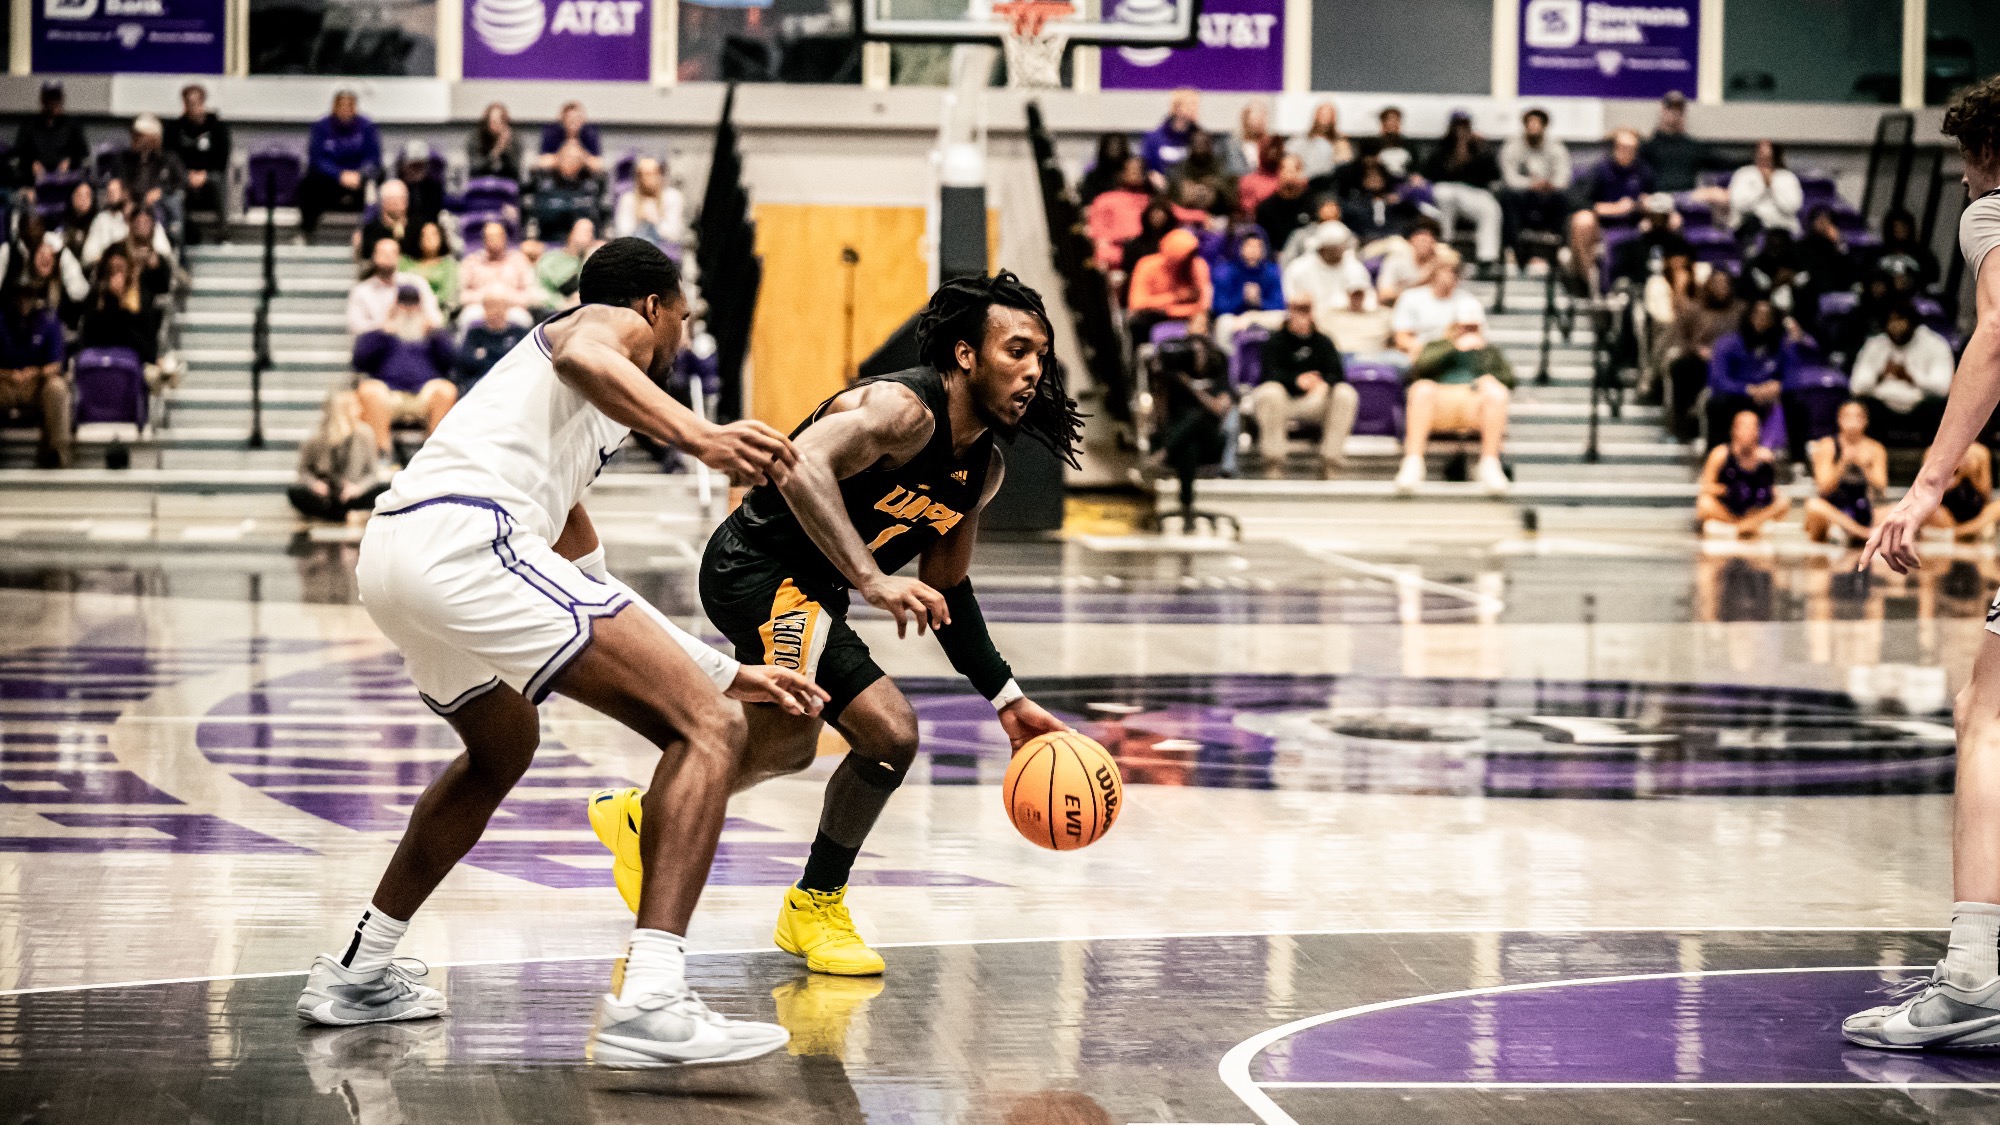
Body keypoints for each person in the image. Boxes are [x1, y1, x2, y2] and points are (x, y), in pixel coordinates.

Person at [294, 237, 819, 1069]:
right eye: (682, 312)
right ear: (653, 306)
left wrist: (721, 666)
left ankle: (359, 969)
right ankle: (652, 999)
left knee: (506, 745)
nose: (684, 330)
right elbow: (581, 344)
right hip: (468, 540)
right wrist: (703, 437)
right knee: (710, 732)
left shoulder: (562, 426)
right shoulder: (594, 334)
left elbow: (586, 577)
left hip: (396, 555)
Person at [586, 270, 1078, 981]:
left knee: (787, 745)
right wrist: (873, 577)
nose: (1034, 371)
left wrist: (1006, 696)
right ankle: (815, 902)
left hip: (810, 589)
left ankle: (645, 815)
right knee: (890, 731)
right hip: (754, 567)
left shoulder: (984, 469)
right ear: (967, 355)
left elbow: (947, 587)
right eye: (1018, 351)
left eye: (1043, 356)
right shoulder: (902, 410)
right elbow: (799, 464)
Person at [1395, 315, 1515, 495]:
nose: (1468, 331)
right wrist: (1453, 346)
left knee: (1497, 393)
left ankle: (1490, 463)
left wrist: (1490, 379)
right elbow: (1420, 367)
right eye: (1464, 327)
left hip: (1474, 403)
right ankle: (1413, 462)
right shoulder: (1437, 345)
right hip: (1442, 401)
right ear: (1453, 326)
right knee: (1421, 389)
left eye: (1472, 327)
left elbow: (1510, 379)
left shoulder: (1490, 351)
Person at [1251, 294, 1356, 468]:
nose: (1301, 315)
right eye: (1297, 309)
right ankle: (1273, 458)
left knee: (1345, 393)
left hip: (1315, 401)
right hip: (1284, 400)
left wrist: (1324, 383)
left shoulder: (1323, 342)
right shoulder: (1275, 340)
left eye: (1306, 310)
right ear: (1289, 311)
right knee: (1269, 391)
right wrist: (1296, 381)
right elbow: (1266, 375)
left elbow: (1338, 374)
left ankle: (1331, 457)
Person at [352, 286, 461, 450]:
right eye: (403, 304)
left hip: (424, 394)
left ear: (421, 306)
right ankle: (382, 453)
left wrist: (436, 335)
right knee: (369, 391)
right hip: (390, 394)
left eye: (413, 304)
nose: (409, 309)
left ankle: (434, 454)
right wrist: (382, 332)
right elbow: (359, 361)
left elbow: (452, 362)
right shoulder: (381, 333)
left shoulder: (433, 335)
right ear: (395, 306)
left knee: (446, 391)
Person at [1704, 298, 1805, 450]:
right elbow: (1719, 380)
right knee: (1717, 403)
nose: (1762, 320)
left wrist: (1779, 386)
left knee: (1798, 403)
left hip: (1770, 396)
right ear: (1748, 316)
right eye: (1757, 314)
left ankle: (1797, 459)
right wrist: (1748, 389)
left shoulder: (1783, 344)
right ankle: (1717, 452)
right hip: (1739, 394)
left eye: (1767, 316)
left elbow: (1794, 377)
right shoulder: (1727, 343)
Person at [1851, 301, 1955, 448]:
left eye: (1901, 320)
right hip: (1882, 409)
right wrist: (1879, 375)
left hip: (1921, 409)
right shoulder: (1875, 345)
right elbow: (1856, 387)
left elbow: (1943, 388)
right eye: (1891, 321)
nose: (1896, 326)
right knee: (1859, 405)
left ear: (1912, 323)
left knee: (1940, 406)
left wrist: (1912, 378)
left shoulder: (1935, 344)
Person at [1567, 129, 1656, 294]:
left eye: (1631, 148)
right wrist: (1614, 209)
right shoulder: (1599, 170)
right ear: (1614, 148)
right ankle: (1589, 285)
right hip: (1601, 226)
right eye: (1622, 147)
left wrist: (1647, 210)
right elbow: (1577, 202)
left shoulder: (1644, 172)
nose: (1626, 152)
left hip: (1633, 227)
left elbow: (1651, 198)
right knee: (1582, 220)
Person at [1664, 269, 1743, 440]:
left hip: (1732, 362)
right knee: (1680, 368)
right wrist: (1697, 349)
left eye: (1725, 284)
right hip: (1700, 360)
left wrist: (1723, 353)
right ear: (1708, 286)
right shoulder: (1694, 309)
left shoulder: (1740, 311)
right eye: (1716, 284)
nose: (1721, 288)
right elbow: (1680, 338)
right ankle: (1681, 427)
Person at [1421, 111, 1504, 273]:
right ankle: (1445, 246)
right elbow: (1429, 177)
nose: (1460, 130)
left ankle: (1486, 260)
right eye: (1457, 126)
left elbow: (1493, 177)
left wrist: (1481, 148)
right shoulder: (1441, 148)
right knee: (1444, 194)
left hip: (1473, 193)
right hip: (1446, 191)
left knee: (1490, 208)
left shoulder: (1480, 148)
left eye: (1464, 126)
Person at [0, 285, 70, 469]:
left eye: (28, 296)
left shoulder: (47, 319)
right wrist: (9, 374)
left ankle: (57, 458)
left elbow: (55, 365)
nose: (24, 302)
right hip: (5, 383)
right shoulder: (1, 319)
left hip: (36, 385)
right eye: (19, 296)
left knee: (58, 388)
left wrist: (35, 372)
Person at [290, 391, 386, 522]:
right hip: (326, 494)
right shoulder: (316, 437)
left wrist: (357, 488)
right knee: (295, 492)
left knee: (385, 489)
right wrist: (315, 485)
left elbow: (372, 473)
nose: (360, 410)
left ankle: (335, 515)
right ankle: (346, 515)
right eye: (355, 406)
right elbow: (303, 471)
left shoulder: (365, 434)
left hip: (353, 491)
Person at [301, 91, 383, 242]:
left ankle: (373, 236)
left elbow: (374, 158)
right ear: (334, 106)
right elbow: (316, 159)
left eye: (349, 105)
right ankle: (306, 233)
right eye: (341, 105)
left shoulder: (367, 126)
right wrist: (339, 175)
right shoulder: (321, 127)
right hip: (330, 182)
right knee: (308, 182)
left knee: (380, 178)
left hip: (360, 182)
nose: (345, 109)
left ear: (355, 107)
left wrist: (360, 174)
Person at [1695, 410, 1789, 538]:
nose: (1749, 431)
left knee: (1784, 501)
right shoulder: (1721, 454)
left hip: (1754, 510)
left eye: (1753, 427)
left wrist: (1767, 494)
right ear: (1735, 430)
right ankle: (1739, 525)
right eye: (1744, 427)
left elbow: (1772, 490)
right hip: (1728, 510)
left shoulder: (1765, 457)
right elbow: (1705, 487)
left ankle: (1750, 524)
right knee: (1704, 504)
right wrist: (1727, 490)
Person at [1802, 401, 1885, 544]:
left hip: (1863, 510)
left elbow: (1881, 487)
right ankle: (1863, 534)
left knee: (1907, 512)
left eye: (1858, 417)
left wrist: (1865, 467)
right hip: (1834, 512)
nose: (1852, 422)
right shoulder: (1828, 445)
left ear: (1865, 421)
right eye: (1847, 416)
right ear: (1839, 420)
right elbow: (1823, 487)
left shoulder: (1875, 448)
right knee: (1813, 505)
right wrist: (1842, 464)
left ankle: (1852, 532)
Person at [76, 247, 162, 373]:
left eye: (120, 269)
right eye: (112, 271)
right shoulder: (96, 299)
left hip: (134, 366)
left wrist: (123, 305)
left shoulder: (142, 298)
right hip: (99, 365)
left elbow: (148, 346)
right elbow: (88, 340)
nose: (116, 277)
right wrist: (112, 301)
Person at [1498, 108, 1572, 255]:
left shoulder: (1557, 147)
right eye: (1530, 123)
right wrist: (1530, 184)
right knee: (1507, 195)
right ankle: (1512, 248)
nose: (1533, 127)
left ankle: (1561, 248)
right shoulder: (1512, 146)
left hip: (1548, 194)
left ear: (1545, 126)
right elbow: (1509, 178)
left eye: (1537, 123)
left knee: (1564, 197)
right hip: (1522, 195)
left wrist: (1549, 185)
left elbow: (1563, 177)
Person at [1126, 229, 1212, 350]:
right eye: (1186, 256)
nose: (1189, 260)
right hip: (1155, 318)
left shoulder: (1198, 265)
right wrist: (1176, 297)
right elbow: (1137, 303)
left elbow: (1203, 305)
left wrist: (1170, 310)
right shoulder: (1147, 265)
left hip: (1188, 318)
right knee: (1138, 322)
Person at [1391, 247, 1484, 357]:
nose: (1451, 275)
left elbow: (1476, 337)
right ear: (1434, 271)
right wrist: (1427, 352)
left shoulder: (1468, 301)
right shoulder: (1410, 297)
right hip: (1420, 353)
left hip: (1456, 354)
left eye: (1455, 271)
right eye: (1446, 270)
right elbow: (1402, 338)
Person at [166, 84, 231, 243]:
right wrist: (186, 174)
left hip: (210, 176)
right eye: (188, 102)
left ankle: (223, 232)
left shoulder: (217, 127)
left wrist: (204, 174)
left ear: (203, 102)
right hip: (184, 176)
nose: (192, 106)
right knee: (174, 188)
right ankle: (181, 235)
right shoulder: (174, 129)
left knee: (218, 180)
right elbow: (170, 157)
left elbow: (222, 158)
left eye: (195, 102)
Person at [1284, 222, 1375, 326]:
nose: (1339, 250)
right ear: (1322, 248)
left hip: (1348, 324)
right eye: (1333, 247)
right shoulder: (1298, 269)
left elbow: (1369, 303)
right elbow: (1292, 301)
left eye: (1341, 246)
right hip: (1312, 324)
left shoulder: (1355, 267)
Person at [116, 114, 187, 246]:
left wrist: (161, 192)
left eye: (140, 135)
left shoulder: (169, 159)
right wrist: (126, 198)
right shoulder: (126, 160)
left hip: (161, 206)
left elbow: (182, 183)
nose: (135, 139)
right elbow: (122, 182)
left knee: (174, 202)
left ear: (153, 138)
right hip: (134, 204)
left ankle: (176, 251)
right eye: (134, 135)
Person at [349, 238, 442, 337]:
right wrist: (383, 327)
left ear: (400, 257)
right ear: (374, 257)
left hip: (413, 343)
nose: (388, 256)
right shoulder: (362, 290)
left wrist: (422, 322)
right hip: (378, 345)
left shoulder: (416, 283)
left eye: (393, 252)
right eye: (383, 252)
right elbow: (356, 326)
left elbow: (436, 318)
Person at [1211, 231, 1284, 348]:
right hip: (1235, 317)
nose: (1254, 250)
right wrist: (1242, 297)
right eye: (1249, 245)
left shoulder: (1272, 271)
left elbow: (1280, 304)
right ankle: (1227, 360)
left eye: (1258, 246)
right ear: (1239, 248)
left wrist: (1259, 301)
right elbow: (1219, 307)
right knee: (1224, 323)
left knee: (1281, 318)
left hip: (1261, 316)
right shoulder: (1225, 271)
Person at [459, 220, 541, 323]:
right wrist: (487, 297)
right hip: (479, 307)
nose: (494, 240)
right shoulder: (471, 261)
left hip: (512, 307)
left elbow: (532, 293)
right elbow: (461, 295)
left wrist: (505, 297)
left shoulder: (519, 261)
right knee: (467, 318)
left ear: (505, 238)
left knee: (523, 319)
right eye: (489, 237)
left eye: (497, 236)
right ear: (484, 240)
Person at [13, 82, 89, 184]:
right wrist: (31, 163)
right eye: (50, 98)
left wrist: (69, 161)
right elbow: (19, 152)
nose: (54, 103)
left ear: (62, 99)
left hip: (66, 179)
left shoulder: (72, 124)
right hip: (34, 179)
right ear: (43, 100)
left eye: (57, 98)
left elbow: (83, 152)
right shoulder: (29, 124)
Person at [1085, 156, 1153, 271]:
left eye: (1139, 170)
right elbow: (1097, 231)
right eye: (1131, 169)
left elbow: (1178, 214)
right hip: (1115, 251)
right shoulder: (1104, 199)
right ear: (1121, 173)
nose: (1135, 173)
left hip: (1146, 252)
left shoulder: (1152, 202)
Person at [530, 143, 604, 245]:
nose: (570, 162)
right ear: (558, 160)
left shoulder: (590, 187)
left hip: (583, 242)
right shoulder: (546, 186)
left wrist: (561, 207)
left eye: (576, 158)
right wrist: (575, 209)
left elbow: (592, 219)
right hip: (551, 240)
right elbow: (545, 218)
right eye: (567, 157)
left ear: (582, 163)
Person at [1610, 194, 1691, 287]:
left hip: (1670, 287)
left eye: (1662, 216)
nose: (1658, 220)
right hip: (1642, 287)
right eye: (1654, 215)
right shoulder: (1636, 242)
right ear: (1647, 215)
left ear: (1669, 216)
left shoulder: (1678, 242)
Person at [454, 294, 529, 395]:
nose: (496, 311)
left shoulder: (519, 332)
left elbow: (523, 362)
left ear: (507, 308)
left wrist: (485, 354)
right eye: (491, 306)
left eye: (501, 306)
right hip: (479, 383)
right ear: (484, 308)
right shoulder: (474, 332)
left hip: (511, 383)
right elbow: (465, 361)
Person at [1729, 139, 1803, 240]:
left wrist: (1771, 186)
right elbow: (1738, 204)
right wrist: (1762, 187)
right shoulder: (1743, 174)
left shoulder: (1788, 177)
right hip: (1752, 229)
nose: (1764, 160)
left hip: (1783, 228)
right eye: (1761, 155)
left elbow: (1792, 207)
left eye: (1768, 157)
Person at [1342, 162, 1421, 253]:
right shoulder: (1355, 204)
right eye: (1370, 177)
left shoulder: (1396, 203)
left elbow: (1412, 218)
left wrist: (1399, 202)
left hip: (1394, 241)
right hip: (1367, 245)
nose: (1375, 179)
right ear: (1363, 180)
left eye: (1378, 176)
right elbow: (1352, 227)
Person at [1927, 444, 2000, 542]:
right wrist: (1957, 476)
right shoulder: (1932, 451)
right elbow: (1929, 493)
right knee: (1929, 509)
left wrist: (1971, 475)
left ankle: (1958, 532)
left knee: (1997, 508)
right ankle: (1968, 532)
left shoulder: (1981, 452)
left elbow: (1986, 493)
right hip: (1946, 509)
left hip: (1974, 508)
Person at [613, 158, 686, 253]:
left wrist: (656, 219)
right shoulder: (628, 199)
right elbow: (621, 233)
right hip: (633, 252)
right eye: (641, 174)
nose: (646, 178)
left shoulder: (673, 197)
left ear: (660, 173)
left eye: (651, 173)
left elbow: (674, 234)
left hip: (665, 253)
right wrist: (638, 219)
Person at [1320, 278, 1398, 360]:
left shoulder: (1383, 316)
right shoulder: (1331, 316)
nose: (1356, 298)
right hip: (1343, 357)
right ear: (1347, 295)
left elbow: (1398, 336)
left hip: (1375, 357)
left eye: (1359, 294)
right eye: (1354, 294)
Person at [1253, 154, 1317, 254]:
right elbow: (1261, 241)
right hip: (1275, 260)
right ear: (1278, 173)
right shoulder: (1265, 207)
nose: (1289, 175)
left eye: (1294, 170)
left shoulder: (1314, 203)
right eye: (1285, 170)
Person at [1375, 217, 1444, 306]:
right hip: (1397, 309)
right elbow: (1384, 296)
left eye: (1430, 238)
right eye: (1422, 238)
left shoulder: (1441, 263)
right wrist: (1419, 282)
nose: (1426, 243)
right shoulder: (1396, 261)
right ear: (1412, 239)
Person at [1168, 131, 1237, 218]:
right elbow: (1173, 197)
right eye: (1196, 144)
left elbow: (1231, 198)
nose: (1199, 147)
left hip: (1217, 215)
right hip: (1186, 215)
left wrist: (1214, 185)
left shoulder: (1221, 166)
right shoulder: (1180, 168)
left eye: (1203, 144)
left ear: (1210, 145)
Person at [536, 219, 601, 309]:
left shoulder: (591, 259)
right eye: (584, 231)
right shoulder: (551, 260)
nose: (589, 236)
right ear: (571, 233)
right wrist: (561, 304)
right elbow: (540, 290)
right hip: (553, 310)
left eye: (591, 232)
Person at [402, 222, 460, 314]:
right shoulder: (404, 262)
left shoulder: (448, 264)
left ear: (441, 238)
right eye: (424, 235)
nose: (429, 238)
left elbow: (448, 293)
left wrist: (426, 303)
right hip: (404, 310)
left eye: (434, 234)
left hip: (437, 312)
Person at [1881, 208, 1942, 293]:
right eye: (1896, 227)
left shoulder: (1923, 256)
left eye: (1903, 227)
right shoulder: (1879, 253)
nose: (1899, 231)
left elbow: (1931, 279)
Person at [1141, 88, 1201, 176]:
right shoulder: (1153, 139)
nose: (1194, 108)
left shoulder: (1200, 139)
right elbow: (1145, 166)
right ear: (1176, 107)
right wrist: (1152, 175)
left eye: (1196, 105)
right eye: (1190, 104)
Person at [356, 179, 416, 261]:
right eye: (392, 199)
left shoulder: (418, 228)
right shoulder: (370, 230)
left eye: (401, 198)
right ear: (383, 201)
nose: (397, 203)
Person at [538, 101, 605, 175]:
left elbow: (598, 163)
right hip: (556, 175)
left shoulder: (590, 133)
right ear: (562, 119)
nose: (573, 122)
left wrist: (579, 156)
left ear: (583, 120)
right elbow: (542, 161)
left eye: (577, 118)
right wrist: (563, 156)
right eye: (570, 118)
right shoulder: (552, 132)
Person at [467, 102, 523, 183]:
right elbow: (475, 167)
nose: (495, 125)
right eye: (493, 121)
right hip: (481, 182)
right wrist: (496, 151)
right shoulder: (476, 138)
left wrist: (506, 149)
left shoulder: (514, 138)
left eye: (499, 122)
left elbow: (515, 170)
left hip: (506, 182)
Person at [396, 141, 447, 230]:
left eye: (420, 165)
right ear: (404, 166)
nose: (416, 170)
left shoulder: (435, 189)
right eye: (413, 166)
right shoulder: (398, 190)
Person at [1295, 103, 1352, 181]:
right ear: (1316, 116)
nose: (1325, 119)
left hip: (1330, 183)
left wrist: (1341, 142)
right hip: (1306, 182)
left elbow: (1345, 163)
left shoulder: (1340, 141)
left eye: (1329, 115)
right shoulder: (1301, 140)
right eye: (1322, 115)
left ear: (1334, 118)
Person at [1077, 133, 1137, 205]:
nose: (1114, 149)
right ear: (1103, 148)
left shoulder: (1133, 176)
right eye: (1110, 146)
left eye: (1117, 146)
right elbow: (1087, 202)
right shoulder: (1093, 177)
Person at [1237, 137, 1286, 220]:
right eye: (1269, 149)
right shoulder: (1248, 181)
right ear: (1260, 152)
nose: (1273, 152)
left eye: (1276, 148)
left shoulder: (1288, 178)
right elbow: (1247, 212)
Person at [1373, 107, 1418, 182]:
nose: (1392, 124)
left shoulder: (1409, 144)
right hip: (1382, 182)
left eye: (1396, 120)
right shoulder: (1373, 144)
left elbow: (1416, 166)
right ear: (1382, 122)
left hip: (1405, 182)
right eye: (1389, 120)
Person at [1232, 100, 1274, 177]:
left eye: (1263, 116)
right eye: (1256, 118)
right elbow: (1236, 171)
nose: (1260, 121)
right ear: (1246, 119)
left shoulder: (1272, 144)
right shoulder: (1235, 144)